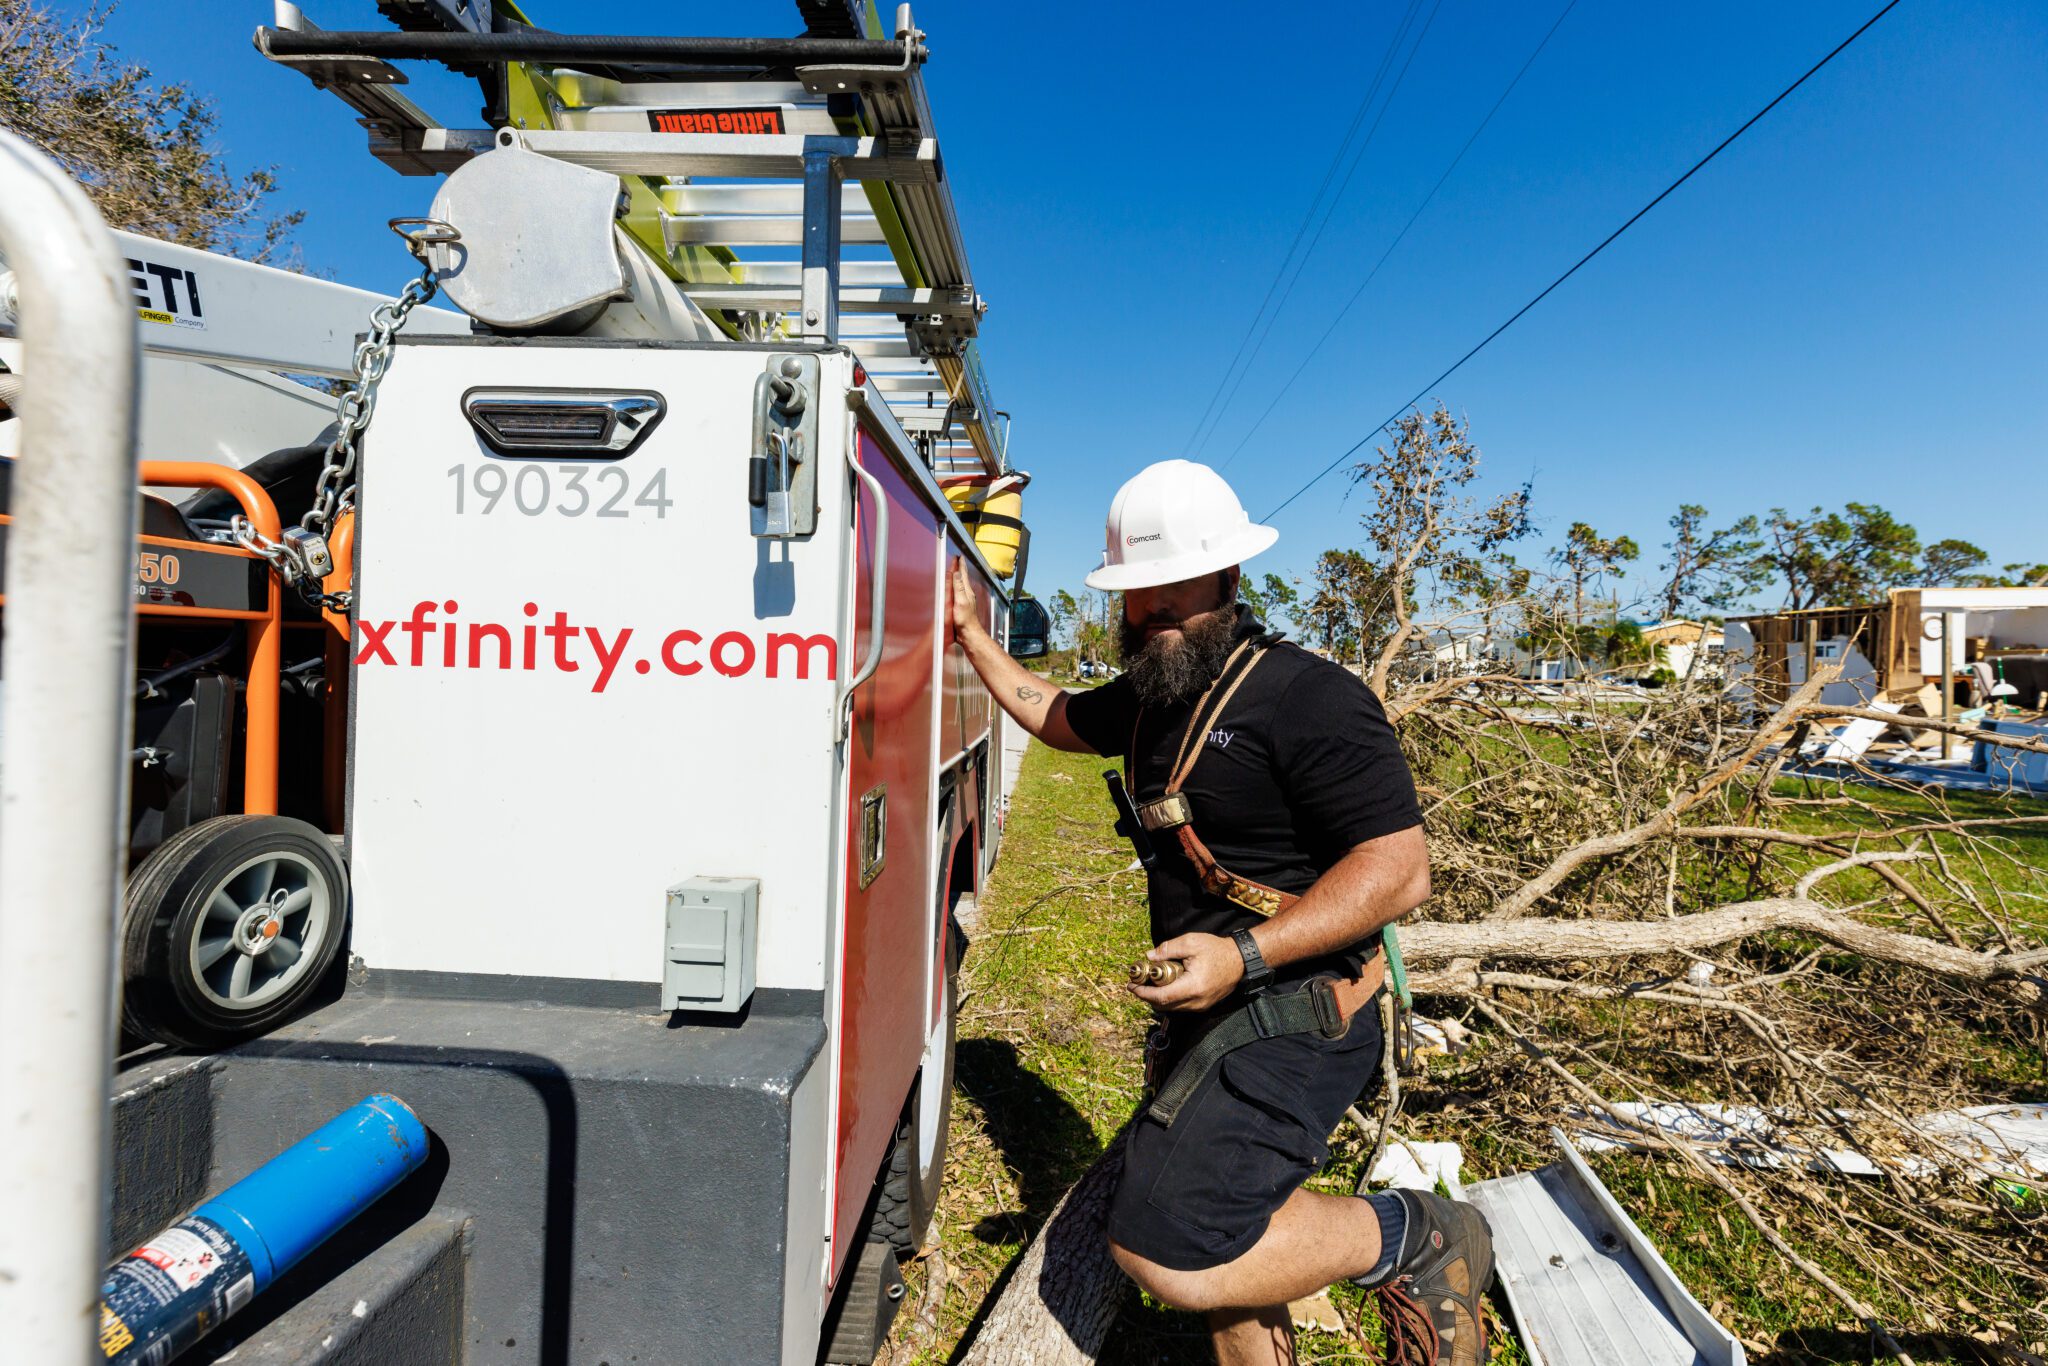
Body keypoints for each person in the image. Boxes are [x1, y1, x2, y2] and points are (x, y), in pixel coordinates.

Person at [947, 459, 1495, 1366]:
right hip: (1213, 1010)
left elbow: (1398, 872)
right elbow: (1051, 713)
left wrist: (1244, 957)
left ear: (1232, 580)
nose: (1157, 609)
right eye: (1138, 594)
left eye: (1179, 590)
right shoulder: (1150, 695)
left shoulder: (1310, 697)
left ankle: (1418, 1237)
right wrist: (972, 636)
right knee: (1235, 1238)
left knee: (1176, 1243)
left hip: (1304, 1012)